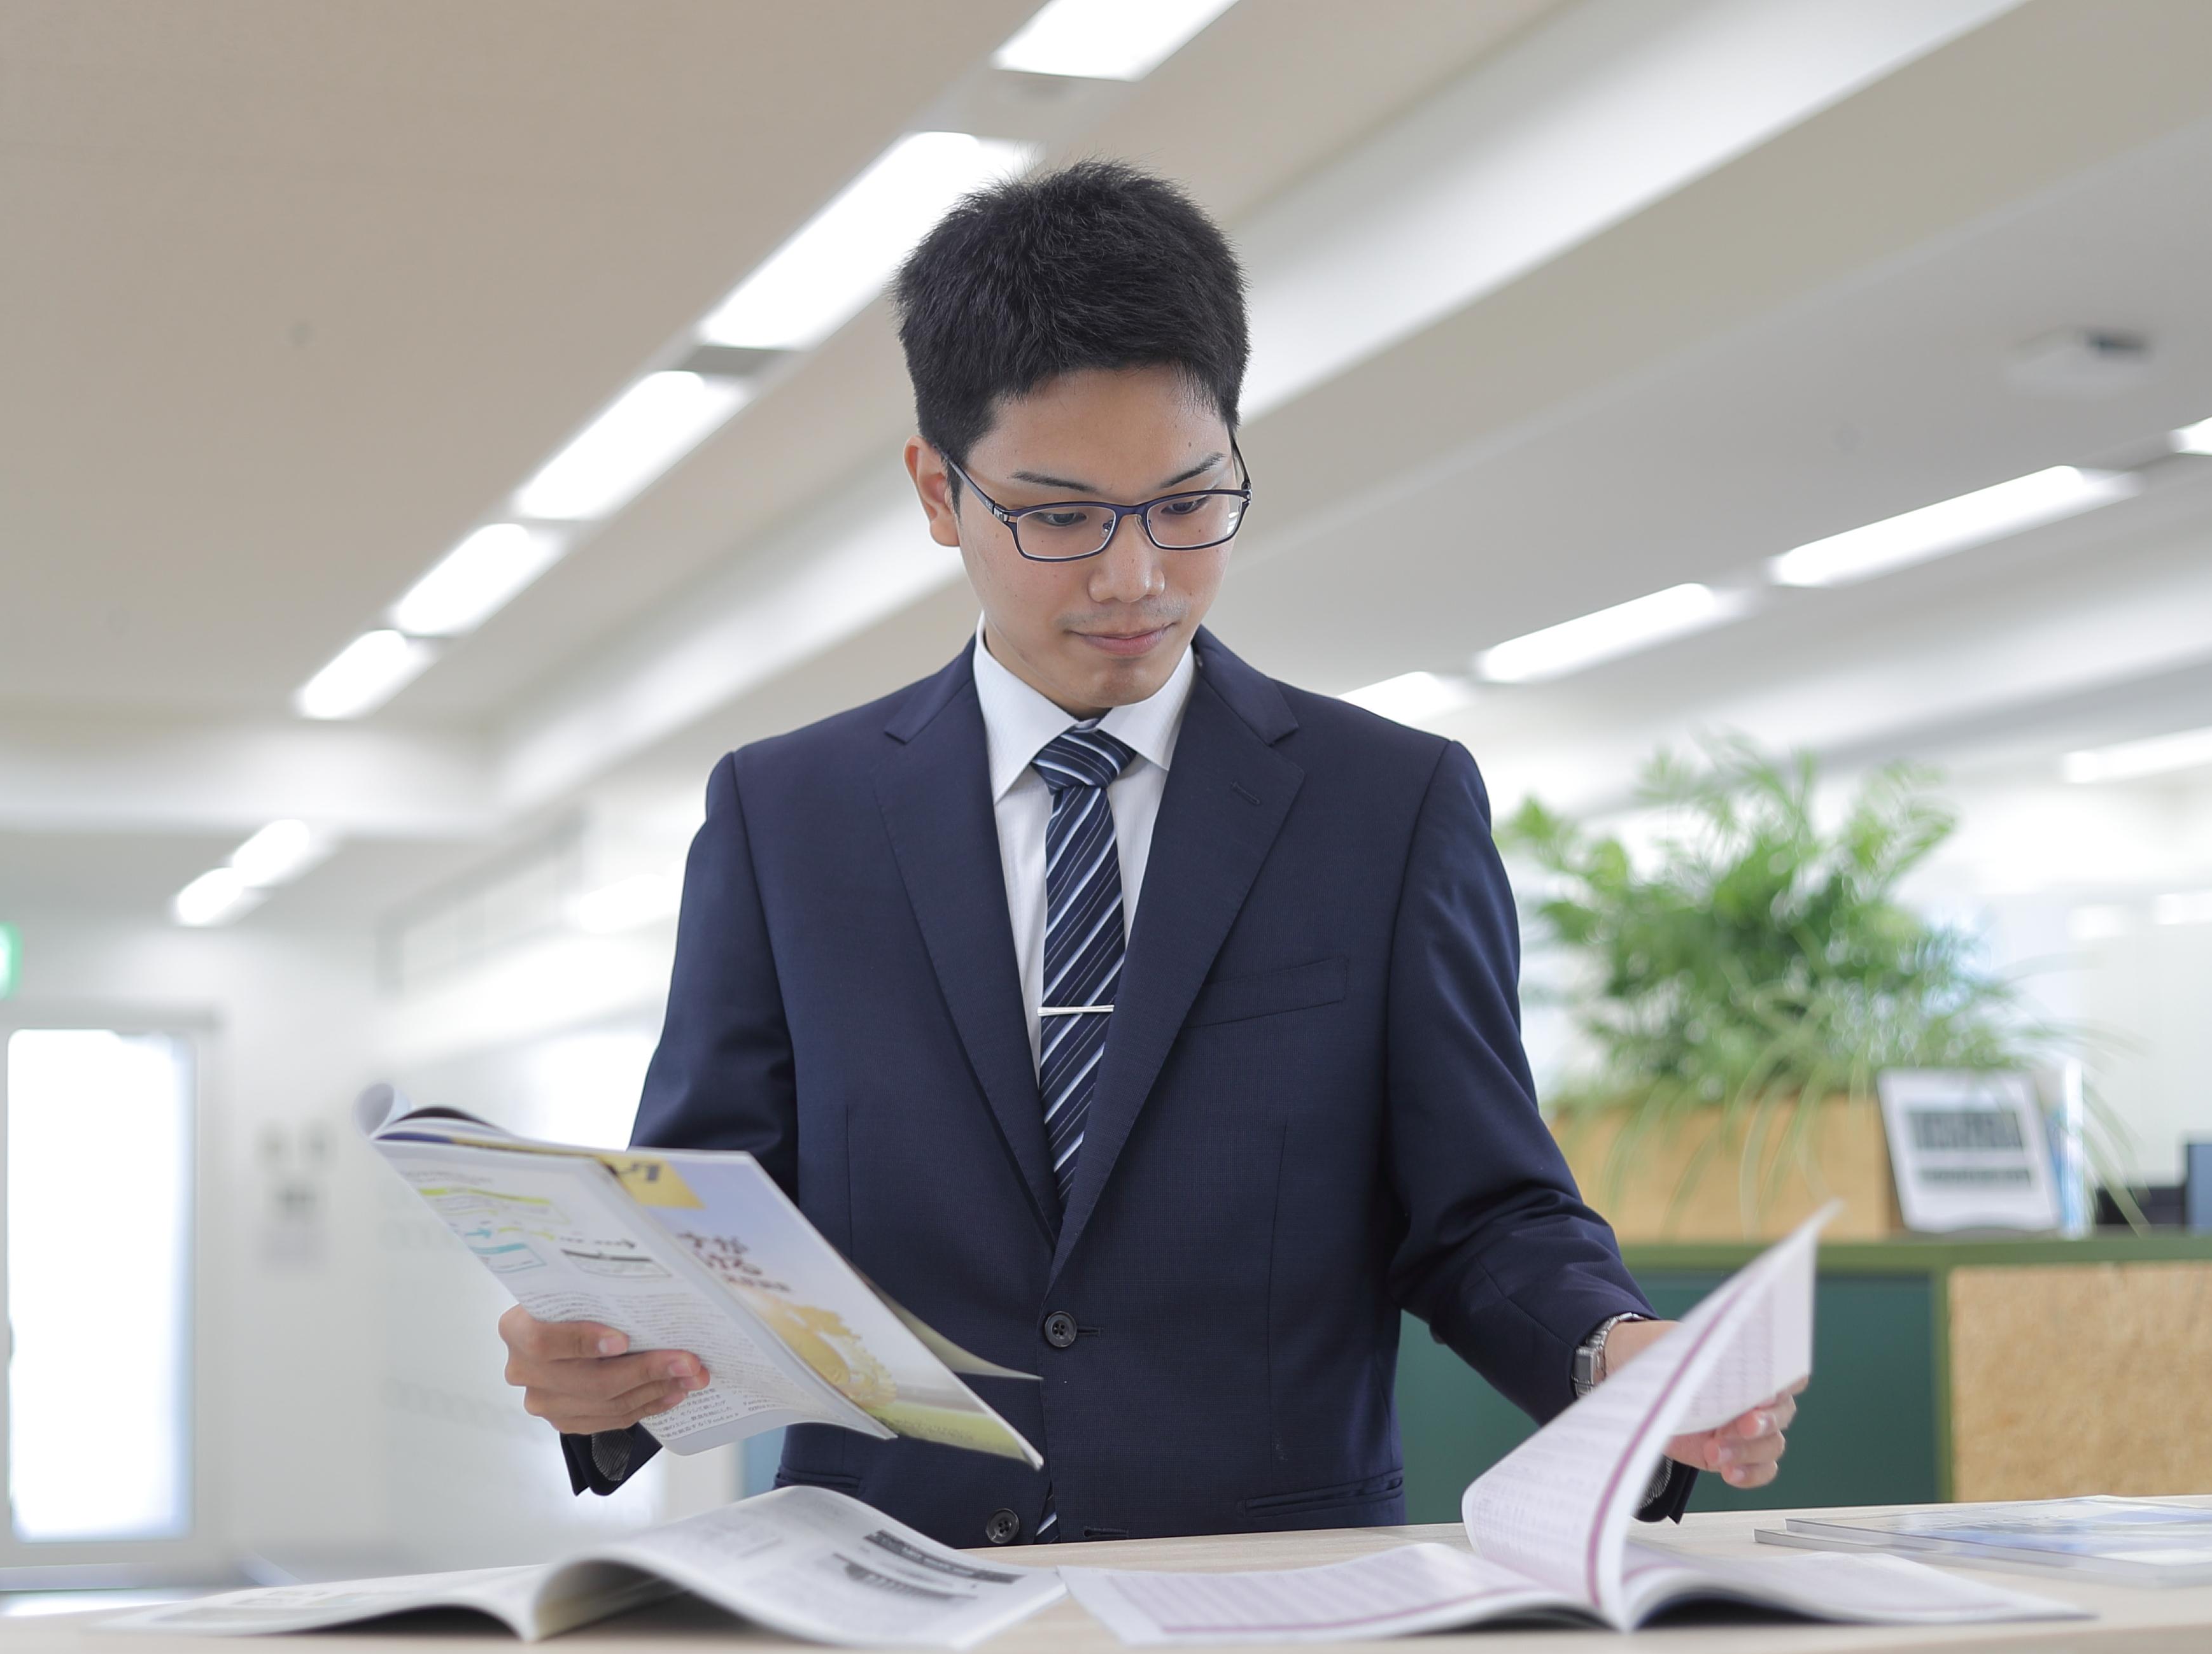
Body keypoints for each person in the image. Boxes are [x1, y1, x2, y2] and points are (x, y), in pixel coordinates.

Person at [498, 162, 1799, 1550]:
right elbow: (706, 1230)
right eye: (1059, 517)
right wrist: (604, 1368)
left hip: (1275, 1598)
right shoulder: (788, 817)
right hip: (888, 1591)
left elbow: (1481, 1211)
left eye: (1190, 502)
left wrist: (1613, 1350)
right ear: (939, 492)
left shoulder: (1389, 806)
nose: (1139, 578)